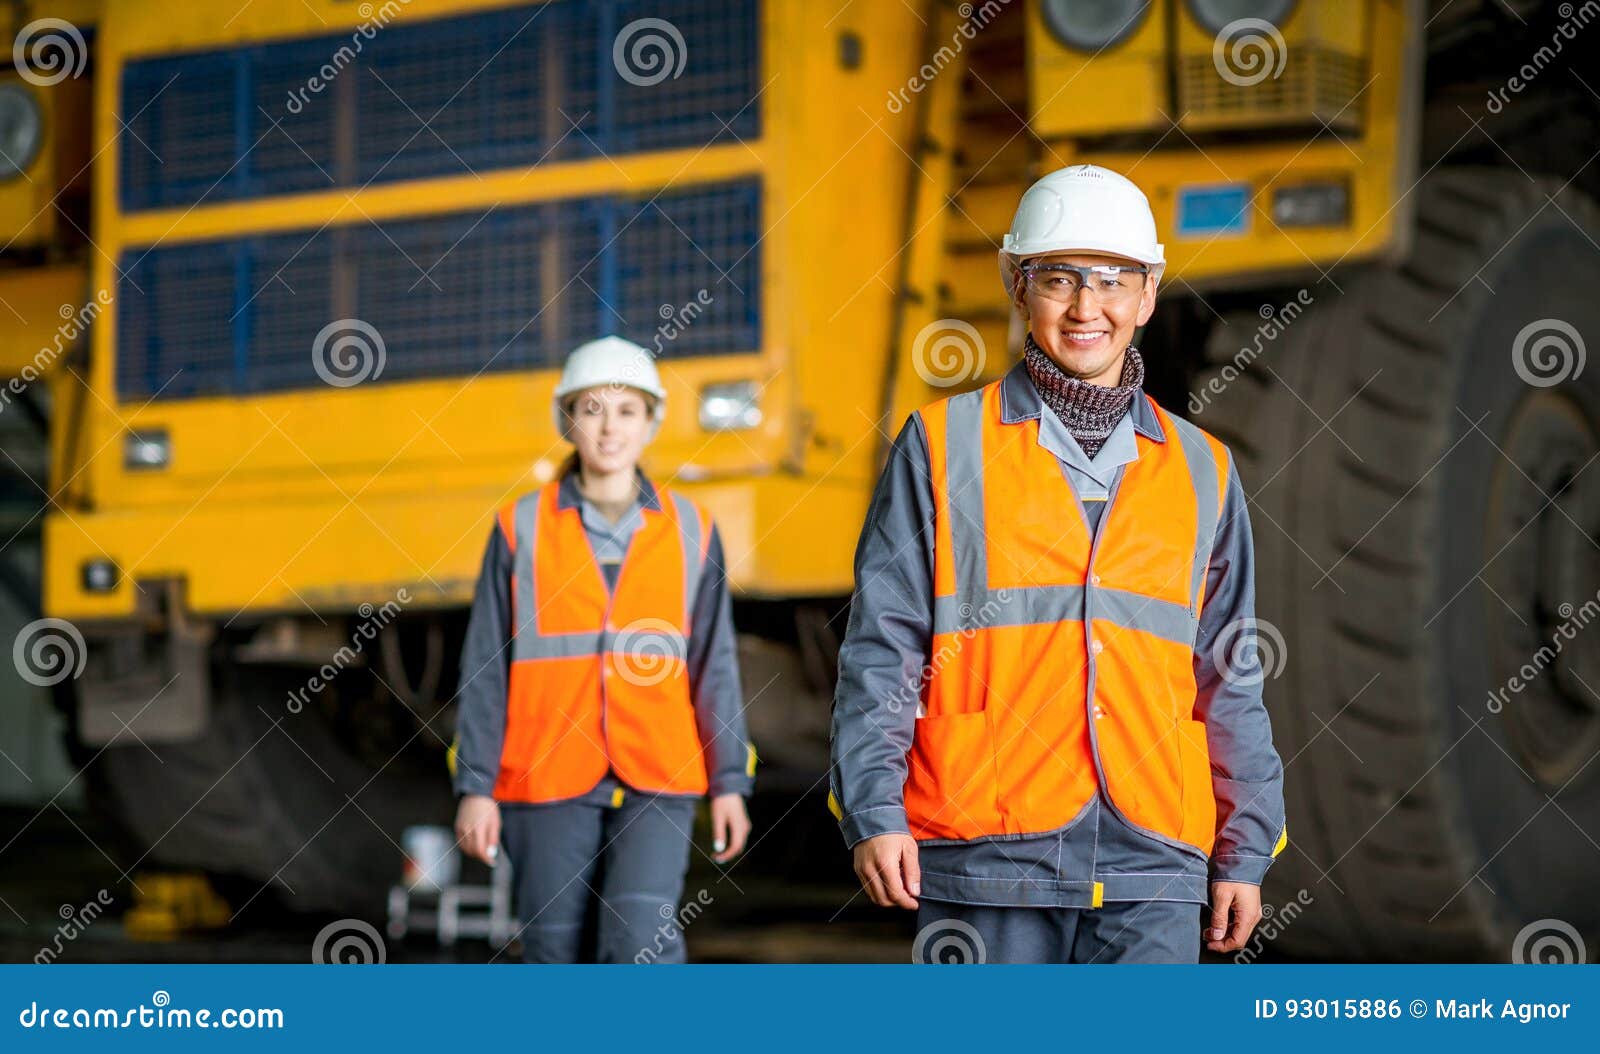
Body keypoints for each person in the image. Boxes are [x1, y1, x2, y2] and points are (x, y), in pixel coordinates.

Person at [828, 164, 1288, 964]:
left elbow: (1229, 673)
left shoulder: (1203, 467)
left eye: (1114, 280)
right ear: (1018, 286)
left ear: (1148, 295)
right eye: (1058, 278)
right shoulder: (943, 445)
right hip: (986, 847)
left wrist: (1245, 848)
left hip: (1157, 861)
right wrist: (873, 809)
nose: (1086, 307)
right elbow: (883, 647)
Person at [449, 335, 756, 964]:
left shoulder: (693, 527)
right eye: (592, 409)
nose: (609, 427)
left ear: (651, 423)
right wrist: (474, 786)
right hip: (545, 766)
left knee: (639, 943)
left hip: (659, 769)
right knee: (554, 952)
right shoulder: (519, 527)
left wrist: (730, 781)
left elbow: (714, 665)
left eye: (626, 410)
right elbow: (485, 667)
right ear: (569, 420)